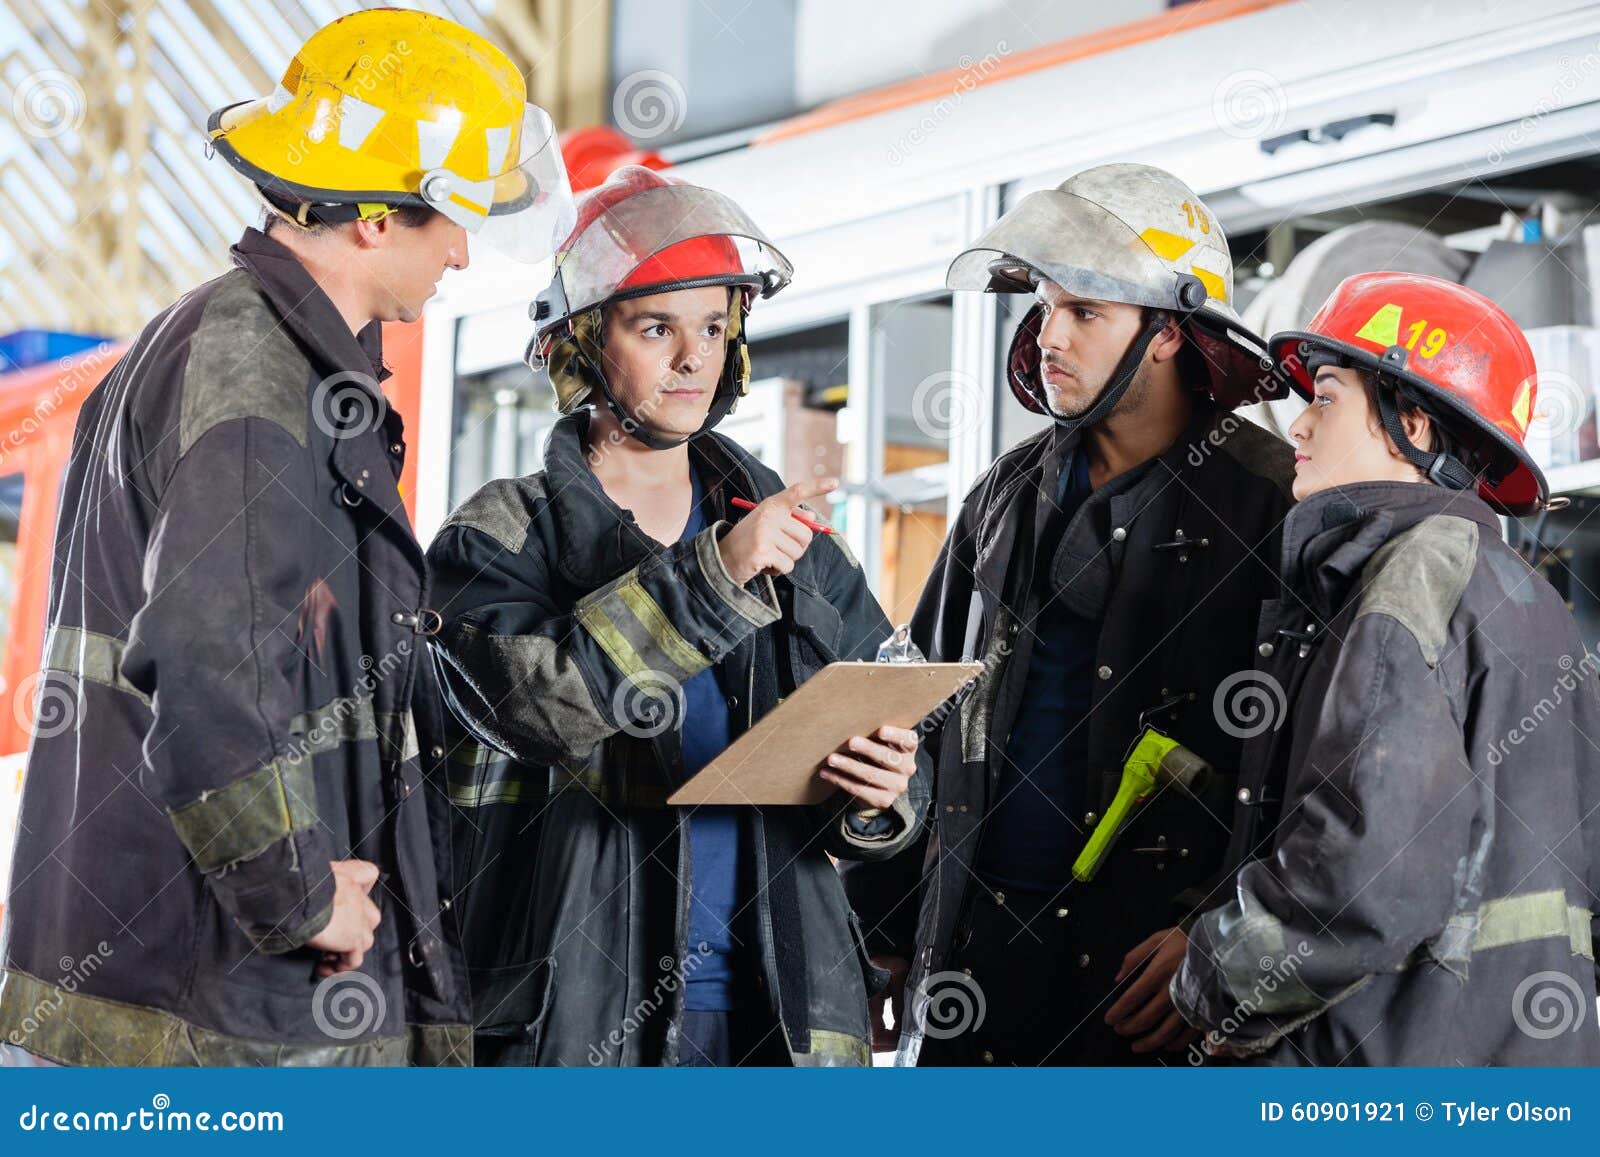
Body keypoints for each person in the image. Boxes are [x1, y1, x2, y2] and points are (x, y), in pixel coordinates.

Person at [0, 9, 572, 1066]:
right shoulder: (261, 376)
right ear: (372, 220)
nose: (460, 249)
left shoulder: (245, 344)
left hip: (166, 984)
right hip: (209, 1012)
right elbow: (213, 664)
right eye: (451, 218)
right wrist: (302, 893)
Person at [425, 166, 922, 1067]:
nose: (696, 358)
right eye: (658, 328)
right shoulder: (499, 536)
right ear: (579, 346)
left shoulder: (795, 537)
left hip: (780, 1027)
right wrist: (716, 577)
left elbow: (894, 761)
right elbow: (536, 708)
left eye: (714, 327)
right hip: (571, 1032)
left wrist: (882, 794)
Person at [843, 163, 1298, 1065]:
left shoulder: (1273, 503)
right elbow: (918, 711)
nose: (1049, 334)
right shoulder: (1003, 499)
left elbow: (1314, 764)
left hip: (1149, 990)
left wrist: (1223, 946)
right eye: (1046, 307)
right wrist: (885, 930)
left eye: (1084, 312)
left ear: (1169, 331)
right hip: (976, 975)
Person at [1173, 271, 1600, 1064]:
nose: (1297, 426)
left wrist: (1205, 978)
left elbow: (1360, 879)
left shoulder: (1408, 581)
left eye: (1326, 395)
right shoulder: (1529, 597)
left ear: (1415, 426)